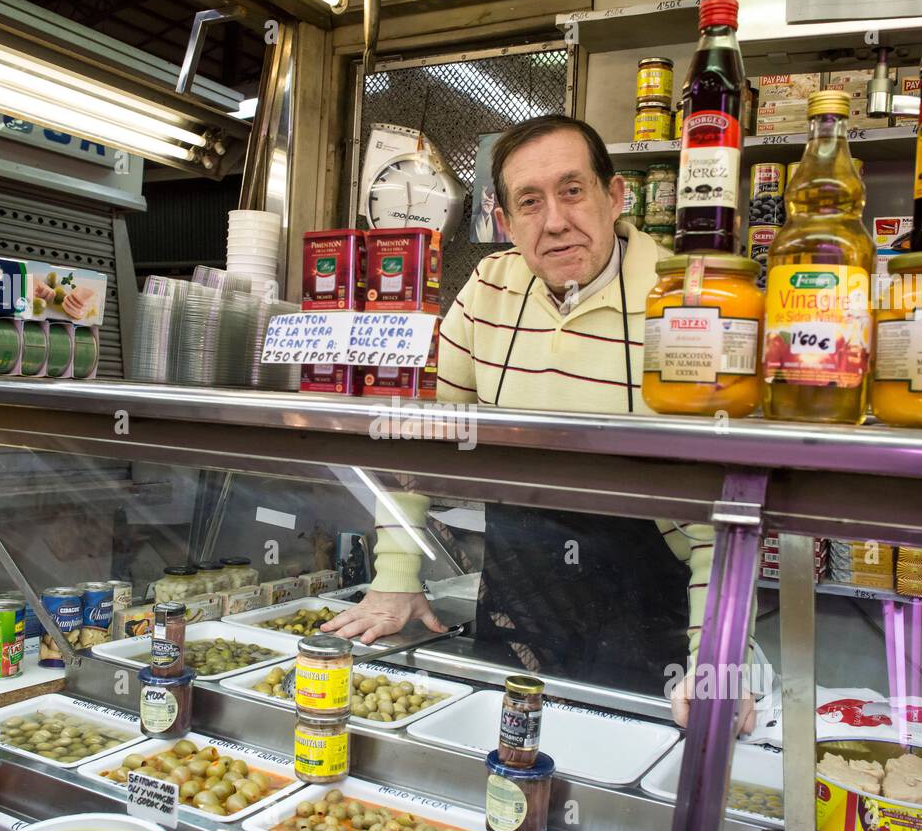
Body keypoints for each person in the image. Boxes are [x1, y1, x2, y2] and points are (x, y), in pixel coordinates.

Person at [323, 115, 756, 732]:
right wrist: (395, 577)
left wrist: (716, 660)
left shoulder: (687, 303)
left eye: (573, 190)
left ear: (614, 197)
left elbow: (724, 511)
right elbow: (423, 441)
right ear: (504, 221)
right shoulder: (488, 288)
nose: (554, 220)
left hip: (653, 599)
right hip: (519, 589)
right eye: (529, 201)